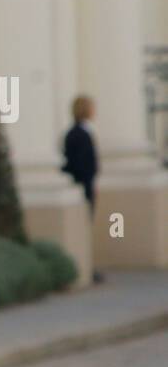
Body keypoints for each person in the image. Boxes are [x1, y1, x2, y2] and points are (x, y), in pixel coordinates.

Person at [61, 94, 102, 283]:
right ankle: (86, 268)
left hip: (83, 185)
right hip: (83, 187)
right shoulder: (81, 135)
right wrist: (88, 184)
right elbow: (83, 164)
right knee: (85, 227)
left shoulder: (74, 133)